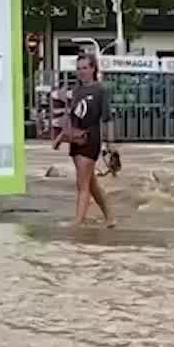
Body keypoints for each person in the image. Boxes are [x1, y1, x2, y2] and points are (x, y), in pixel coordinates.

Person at [62, 52, 115, 226]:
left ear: (93, 68)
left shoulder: (101, 89)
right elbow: (72, 116)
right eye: (78, 69)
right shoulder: (76, 90)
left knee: (82, 184)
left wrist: (110, 145)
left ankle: (78, 222)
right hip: (76, 140)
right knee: (90, 183)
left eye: (85, 68)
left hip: (91, 139)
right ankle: (110, 217)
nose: (81, 72)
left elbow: (107, 119)